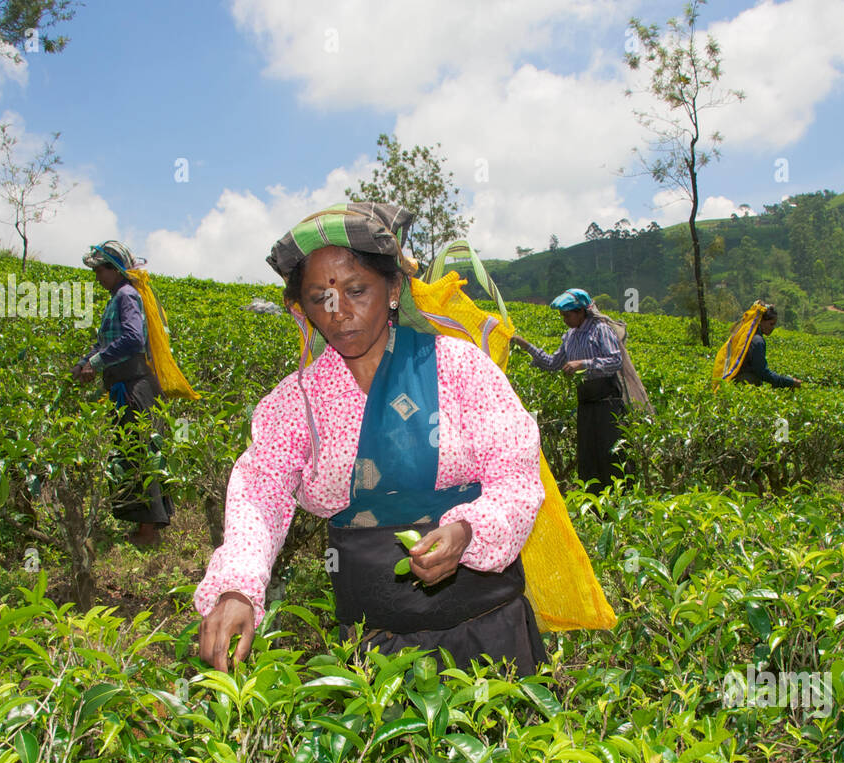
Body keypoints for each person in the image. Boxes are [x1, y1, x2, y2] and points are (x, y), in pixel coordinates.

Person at [193, 203, 547, 676]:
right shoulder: (298, 402)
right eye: (320, 298)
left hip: (485, 631)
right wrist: (237, 588)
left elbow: (515, 476)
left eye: (357, 290)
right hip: (374, 646)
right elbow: (261, 490)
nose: (339, 313)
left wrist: (467, 532)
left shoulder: (458, 367)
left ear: (394, 289)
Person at [73, 240, 174, 547]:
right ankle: (147, 526)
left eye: (100, 269)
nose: (96, 276)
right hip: (125, 387)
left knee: (138, 455)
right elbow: (105, 342)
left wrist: (97, 362)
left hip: (134, 387)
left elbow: (131, 338)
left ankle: (148, 531)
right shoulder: (117, 297)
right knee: (133, 452)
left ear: (113, 270)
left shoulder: (126, 295)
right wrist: (84, 363)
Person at [511, 289, 625, 494]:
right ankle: (594, 500)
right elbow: (553, 363)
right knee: (588, 452)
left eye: (567, 315)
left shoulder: (601, 330)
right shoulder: (570, 337)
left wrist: (584, 364)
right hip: (586, 401)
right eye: (562, 316)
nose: (564, 320)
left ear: (581, 311)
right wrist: (526, 346)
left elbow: (615, 360)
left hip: (607, 401)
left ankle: (618, 497)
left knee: (609, 451)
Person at [724, 302, 801, 389]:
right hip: (745, 386)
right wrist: (789, 382)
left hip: (734, 383)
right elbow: (762, 372)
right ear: (760, 321)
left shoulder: (746, 337)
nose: (773, 328)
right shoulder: (757, 341)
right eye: (771, 324)